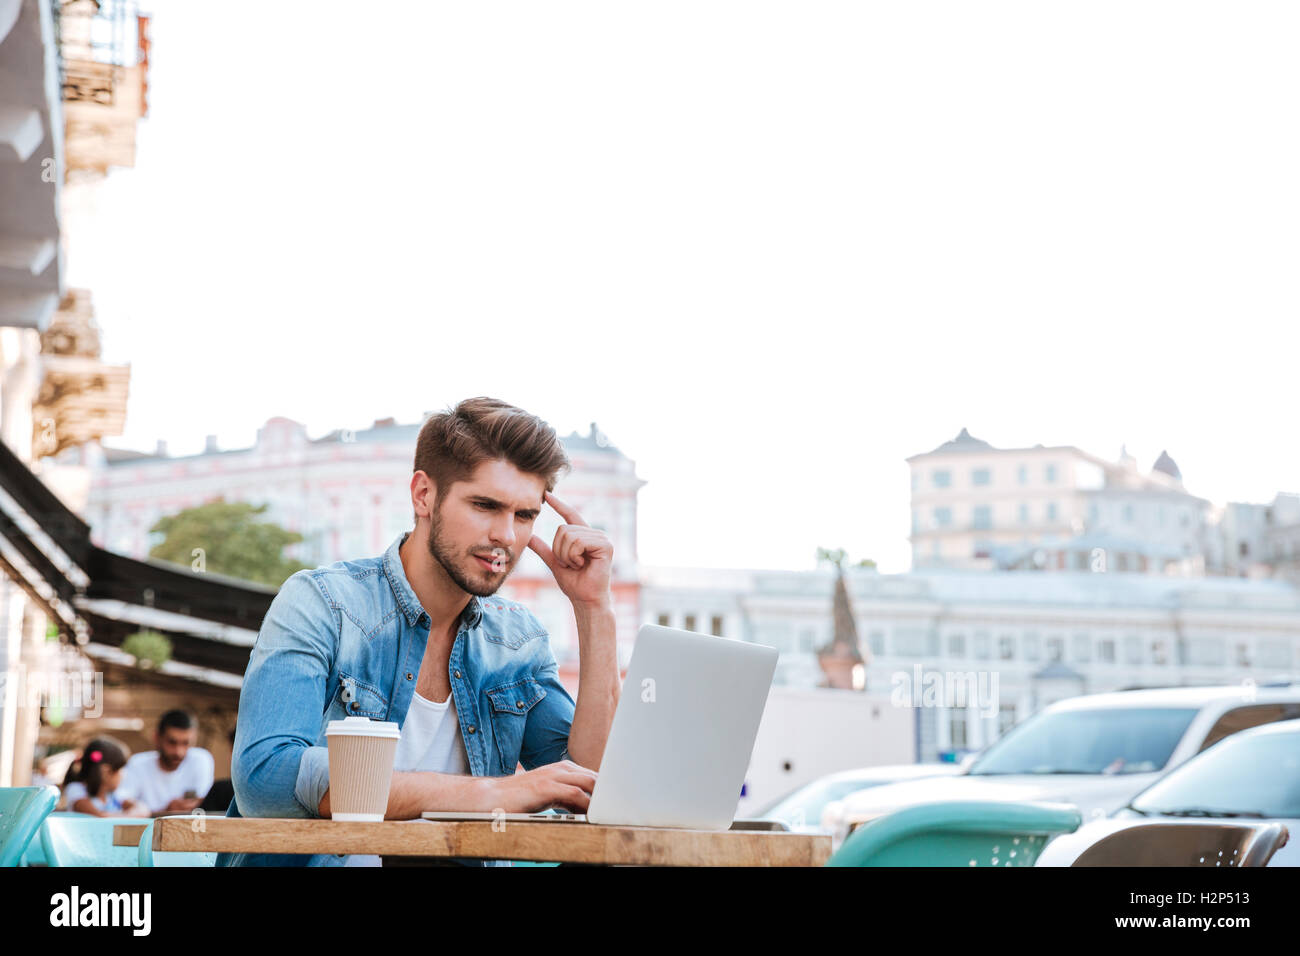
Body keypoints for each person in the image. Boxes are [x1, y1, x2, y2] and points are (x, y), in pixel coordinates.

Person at [218, 397, 621, 867]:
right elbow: (265, 778)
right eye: (485, 505)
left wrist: (594, 608)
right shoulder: (323, 603)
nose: (506, 536)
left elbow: (594, 784)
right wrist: (493, 793)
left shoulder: (517, 642)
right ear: (423, 495)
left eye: (524, 515)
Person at [120, 710, 215, 816]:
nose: (179, 752)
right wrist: (165, 812)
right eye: (172, 742)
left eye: (186, 743)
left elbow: (204, 801)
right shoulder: (138, 763)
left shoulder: (201, 759)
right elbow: (122, 800)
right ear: (157, 738)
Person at [62, 737, 150, 817]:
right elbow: (100, 818)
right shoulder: (76, 790)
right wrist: (127, 817)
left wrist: (124, 816)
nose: (123, 775)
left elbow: (143, 810)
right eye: (120, 770)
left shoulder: (114, 795)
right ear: (106, 772)